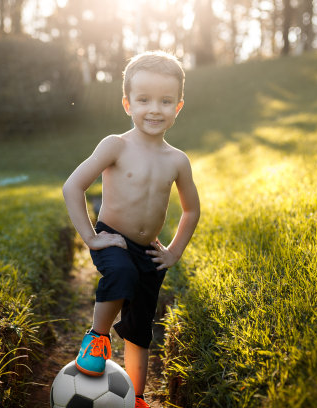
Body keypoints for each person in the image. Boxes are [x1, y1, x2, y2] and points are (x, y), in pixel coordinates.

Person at [62, 50, 200, 408]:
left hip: (149, 250)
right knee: (120, 275)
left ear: (178, 107)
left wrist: (173, 251)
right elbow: (72, 187)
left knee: (140, 328)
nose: (154, 109)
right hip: (113, 241)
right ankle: (97, 337)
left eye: (165, 101)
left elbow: (191, 209)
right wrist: (91, 237)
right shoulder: (116, 145)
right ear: (127, 104)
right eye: (144, 100)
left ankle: (136, 396)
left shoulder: (177, 160)